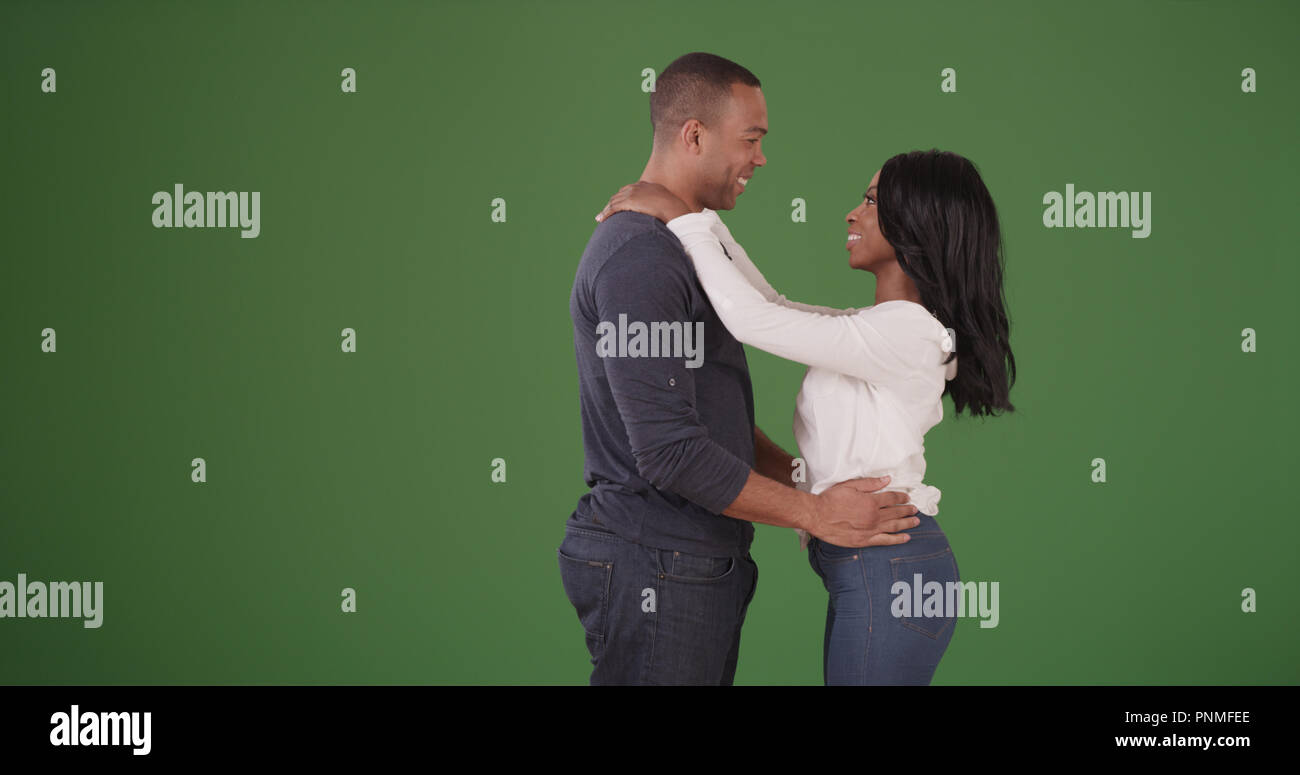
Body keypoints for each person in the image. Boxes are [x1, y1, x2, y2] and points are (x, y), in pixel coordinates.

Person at [561, 52, 921, 686]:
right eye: (750, 140)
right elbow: (671, 453)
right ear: (693, 134)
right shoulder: (642, 258)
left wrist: (808, 480)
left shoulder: (684, 245)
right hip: (658, 560)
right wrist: (816, 514)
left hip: (688, 560)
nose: (760, 159)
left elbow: (706, 414)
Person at [594, 149, 1016, 685]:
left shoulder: (908, 333)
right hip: (877, 570)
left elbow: (752, 320)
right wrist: (707, 221)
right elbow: (772, 302)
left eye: (871, 201)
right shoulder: (878, 327)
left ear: (918, 222)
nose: (852, 213)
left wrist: (681, 219)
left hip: (892, 571)